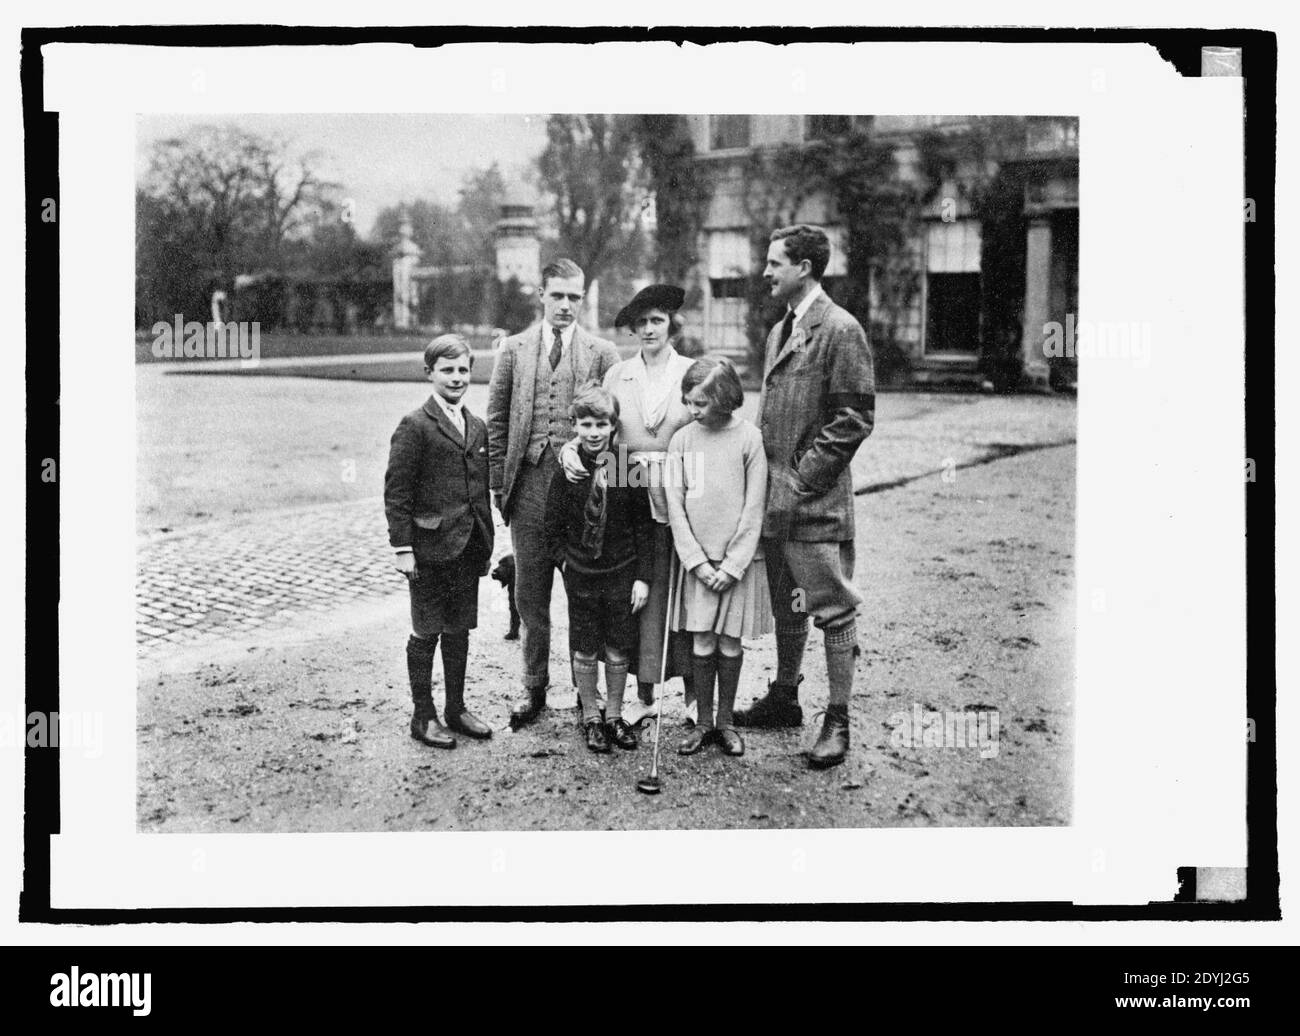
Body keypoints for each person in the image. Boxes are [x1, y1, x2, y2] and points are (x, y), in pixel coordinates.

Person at [733, 225, 875, 770]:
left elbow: (853, 418)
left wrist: (799, 482)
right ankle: (785, 697)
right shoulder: (779, 332)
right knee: (787, 605)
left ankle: (837, 719)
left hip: (814, 506)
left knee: (832, 610)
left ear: (805, 269)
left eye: (775, 263)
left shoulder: (840, 329)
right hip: (776, 505)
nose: (765, 272)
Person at [486, 259, 622, 730]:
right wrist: (499, 487)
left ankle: (590, 696)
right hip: (527, 489)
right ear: (541, 295)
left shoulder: (603, 353)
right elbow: (498, 421)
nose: (566, 306)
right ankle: (534, 686)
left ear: (582, 299)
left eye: (574, 297)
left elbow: (613, 426)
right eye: (557, 296)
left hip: (583, 497)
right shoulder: (514, 350)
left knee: (585, 595)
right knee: (530, 595)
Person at [558, 284, 697, 725]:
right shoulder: (619, 374)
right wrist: (568, 450)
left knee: (684, 596)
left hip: (681, 493)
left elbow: (707, 433)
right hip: (630, 493)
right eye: (641, 323)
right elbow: (599, 430)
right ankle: (641, 694)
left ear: (671, 323)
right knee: (639, 597)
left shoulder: (690, 371)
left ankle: (695, 699)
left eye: (657, 320)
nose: (649, 330)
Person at [384, 334, 495, 748]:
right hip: (429, 551)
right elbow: (397, 492)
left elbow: (478, 489)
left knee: (459, 628)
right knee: (427, 630)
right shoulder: (415, 426)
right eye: (447, 370)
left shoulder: (477, 426)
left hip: (466, 547)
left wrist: (485, 540)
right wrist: (403, 548)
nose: (456, 378)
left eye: (463, 370)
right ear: (429, 373)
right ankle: (423, 714)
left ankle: (456, 707)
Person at [664, 357, 771, 758]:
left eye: (701, 404)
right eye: (689, 403)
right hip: (699, 566)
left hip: (734, 567)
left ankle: (726, 722)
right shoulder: (682, 440)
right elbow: (675, 504)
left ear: (724, 398)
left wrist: (733, 564)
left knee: (729, 642)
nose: (693, 411)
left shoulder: (749, 439)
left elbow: (754, 507)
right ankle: (703, 722)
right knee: (702, 640)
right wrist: (696, 561)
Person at [544, 385, 656, 753]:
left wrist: (642, 576)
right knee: (586, 642)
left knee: (619, 644)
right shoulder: (569, 470)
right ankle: (591, 715)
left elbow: (645, 525)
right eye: (586, 424)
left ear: (613, 427)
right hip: (581, 573)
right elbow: (552, 524)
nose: (593, 433)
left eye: (601, 425)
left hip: (622, 570)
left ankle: (615, 715)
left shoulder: (626, 466)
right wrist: (564, 561)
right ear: (575, 426)